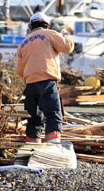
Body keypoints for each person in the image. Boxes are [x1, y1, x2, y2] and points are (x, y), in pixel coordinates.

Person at [16, 12, 74, 143]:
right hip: (47, 82)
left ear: (31, 26)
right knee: (53, 114)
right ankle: (53, 144)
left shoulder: (23, 43)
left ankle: (33, 144)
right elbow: (68, 47)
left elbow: (19, 70)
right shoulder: (49, 34)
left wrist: (31, 77)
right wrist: (63, 34)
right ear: (47, 25)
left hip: (30, 85)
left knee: (34, 118)